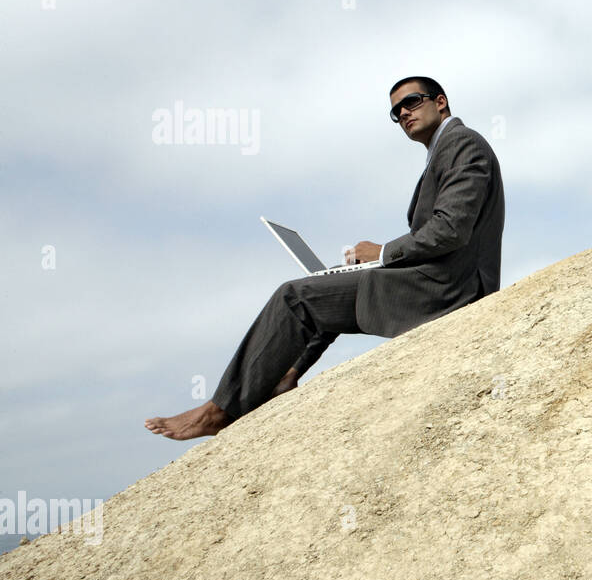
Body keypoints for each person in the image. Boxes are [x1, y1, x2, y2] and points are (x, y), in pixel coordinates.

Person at [145, 76, 505, 440]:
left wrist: (382, 253)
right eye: (396, 111)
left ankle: (218, 412)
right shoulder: (442, 150)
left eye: (411, 102)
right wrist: (374, 261)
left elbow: (450, 228)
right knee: (326, 282)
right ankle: (287, 374)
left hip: (451, 289)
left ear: (440, 101)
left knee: (294, 296)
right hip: (438, 279)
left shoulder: (462, 143)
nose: (403, 114)